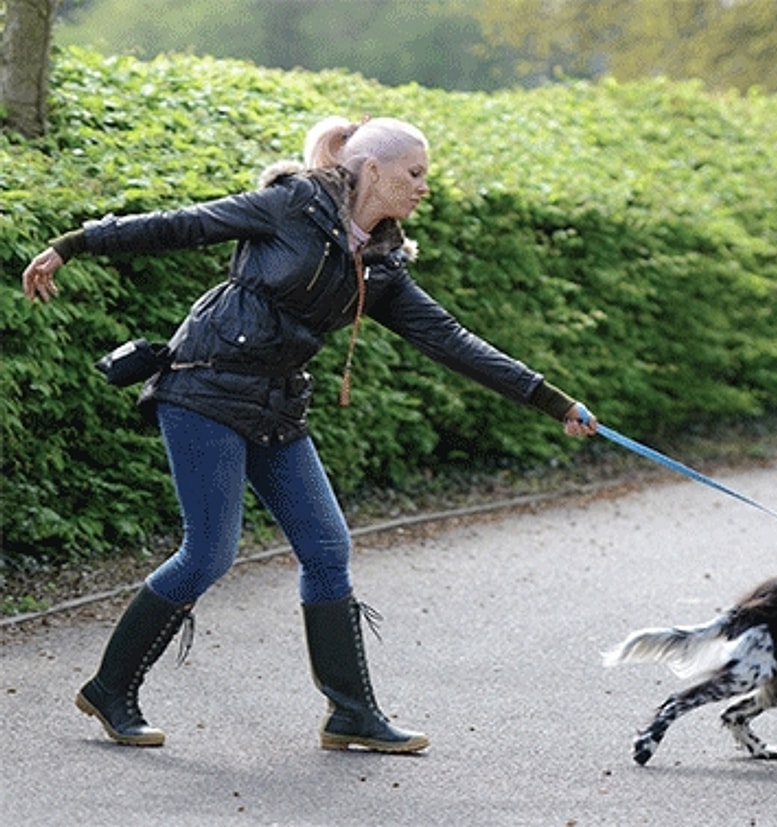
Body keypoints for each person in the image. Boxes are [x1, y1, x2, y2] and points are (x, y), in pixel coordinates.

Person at [20, 115, 599, 753]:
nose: (423, 187)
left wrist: (551, 400)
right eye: (415, 173)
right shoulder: (290, 205)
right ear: (372, 170)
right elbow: (184, 224)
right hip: (205, 388)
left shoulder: (379, 264)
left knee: (327, 549)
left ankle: (351, 714)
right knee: (210, 552)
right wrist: (74, 244)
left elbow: (452, 340)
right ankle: (111, 688)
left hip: (277, 407)